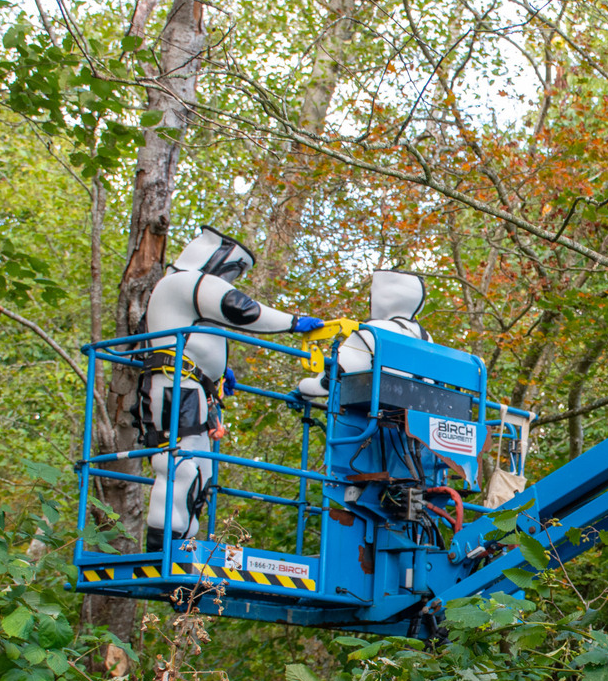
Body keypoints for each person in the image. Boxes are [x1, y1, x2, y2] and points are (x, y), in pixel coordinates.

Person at [138, 226, 324, 552]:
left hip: (194, 388)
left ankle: (183, 544)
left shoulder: (182, 291)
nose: (231, 278)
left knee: (202, 475)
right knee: (178, 466)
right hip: (175, 384)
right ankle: (161, 548)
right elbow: (240, 309)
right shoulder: (182, 282)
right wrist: (293, 322)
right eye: (232, 270)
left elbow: (199, 334)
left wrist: (219, 371)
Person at [297, 270, 430, 397]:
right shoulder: (428, 339)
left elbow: (330, 381)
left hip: (378, 412)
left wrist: (303, 388)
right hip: (425, 413)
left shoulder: (373, 330)